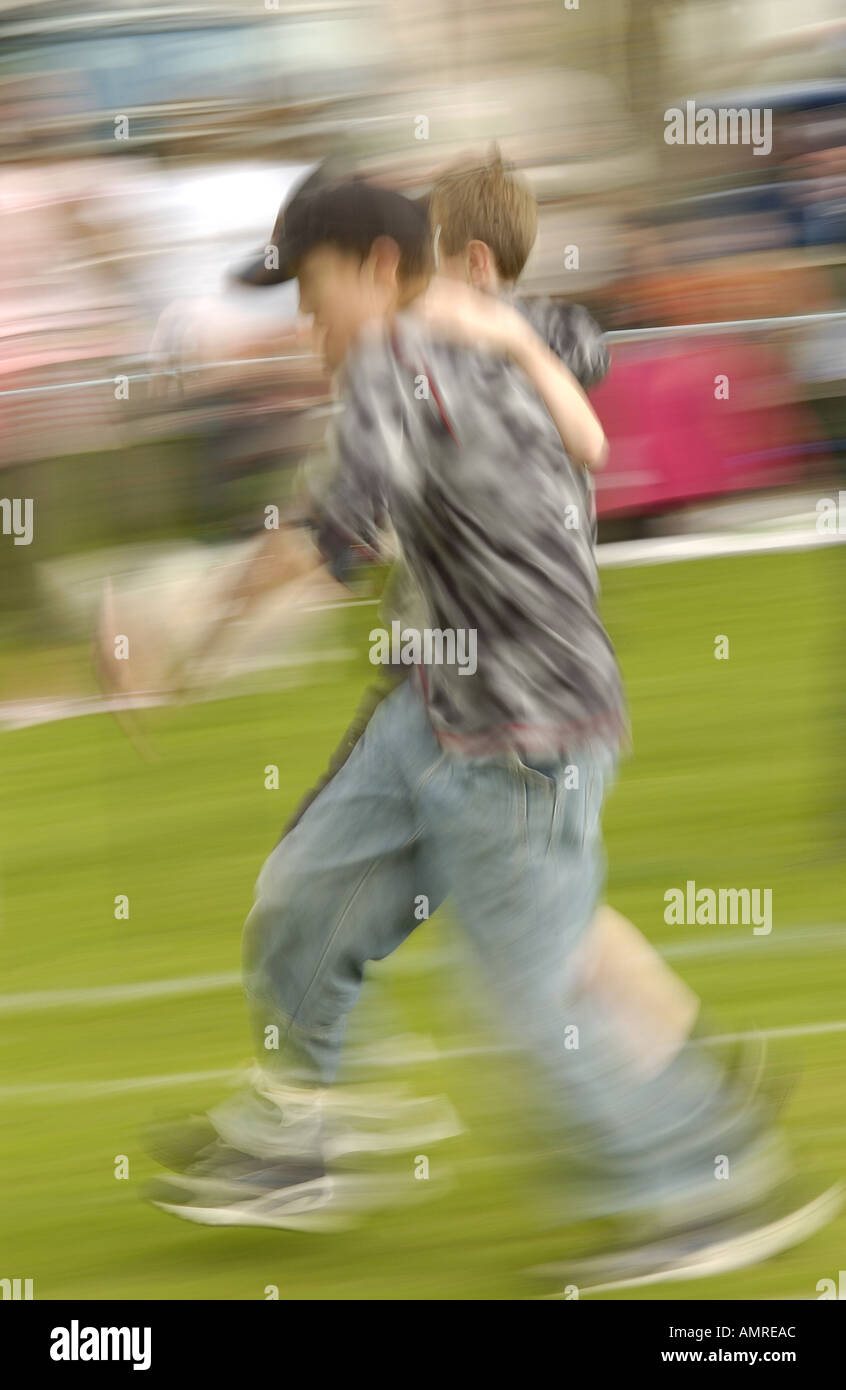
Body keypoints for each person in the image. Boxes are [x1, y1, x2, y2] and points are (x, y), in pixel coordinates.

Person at [146, 170, 837, 1283]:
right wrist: (507, 331)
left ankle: (696, 1182)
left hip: (524, 726)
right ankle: (303, 1136)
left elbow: (337, 535)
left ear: (376, 267)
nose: (304, 321)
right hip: (433, 701)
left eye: (311, 289)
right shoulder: (473, 332)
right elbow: (581, 343)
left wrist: (188, 634)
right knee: (302, 898)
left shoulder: (390, 360)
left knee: (530, 986)